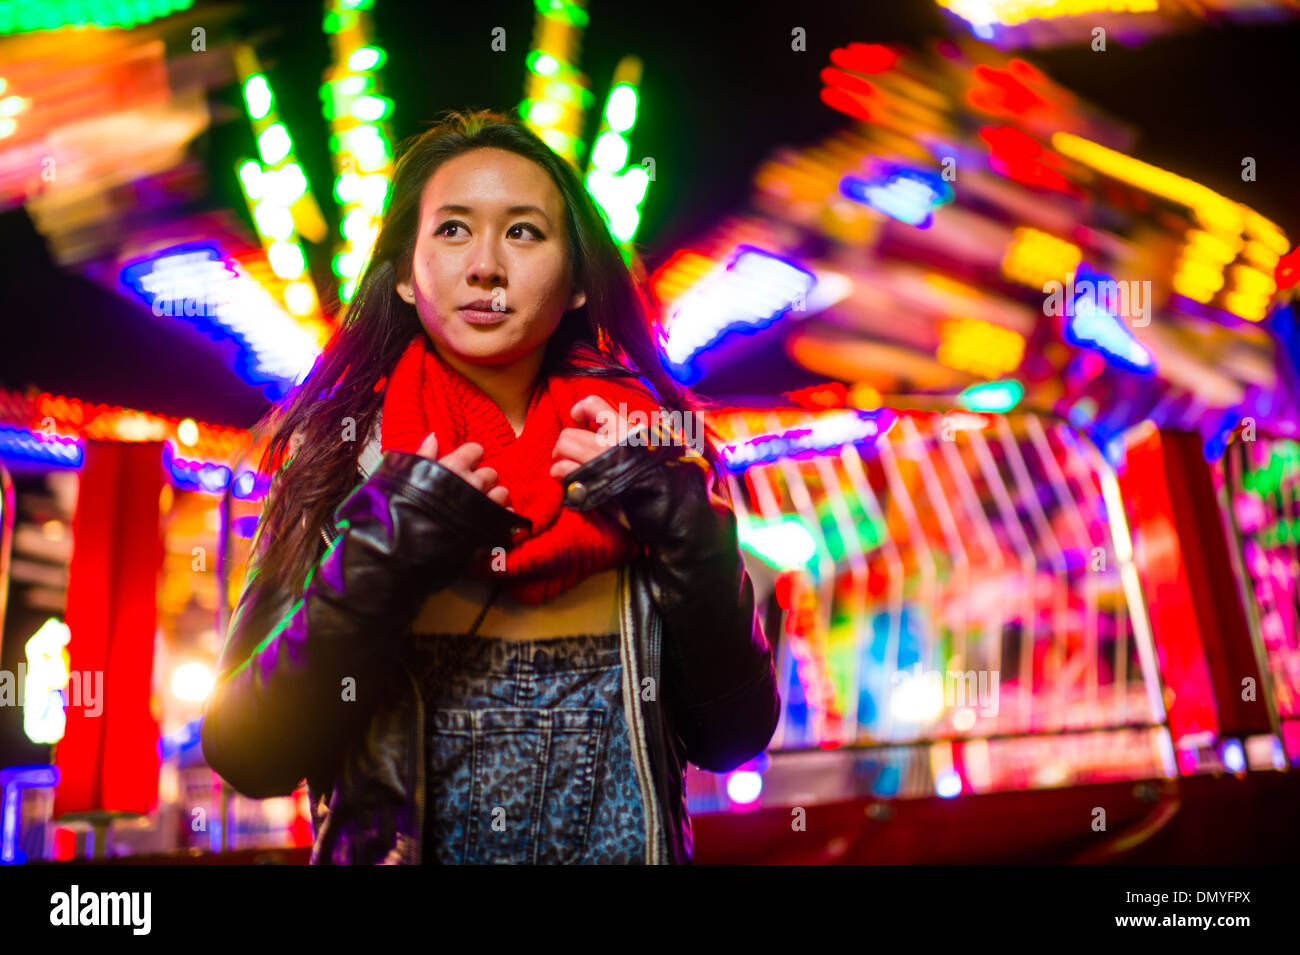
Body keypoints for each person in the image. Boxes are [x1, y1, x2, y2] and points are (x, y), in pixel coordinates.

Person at [199, 108, 780, 865]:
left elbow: (732, 737)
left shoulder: (652, 457)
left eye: (524, 232)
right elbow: (250, 753)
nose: (485, 266)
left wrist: (689, 533)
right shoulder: (344, 467)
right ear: (405, 274)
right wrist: (378, 554)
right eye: (452, 230)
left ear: (576, 281)